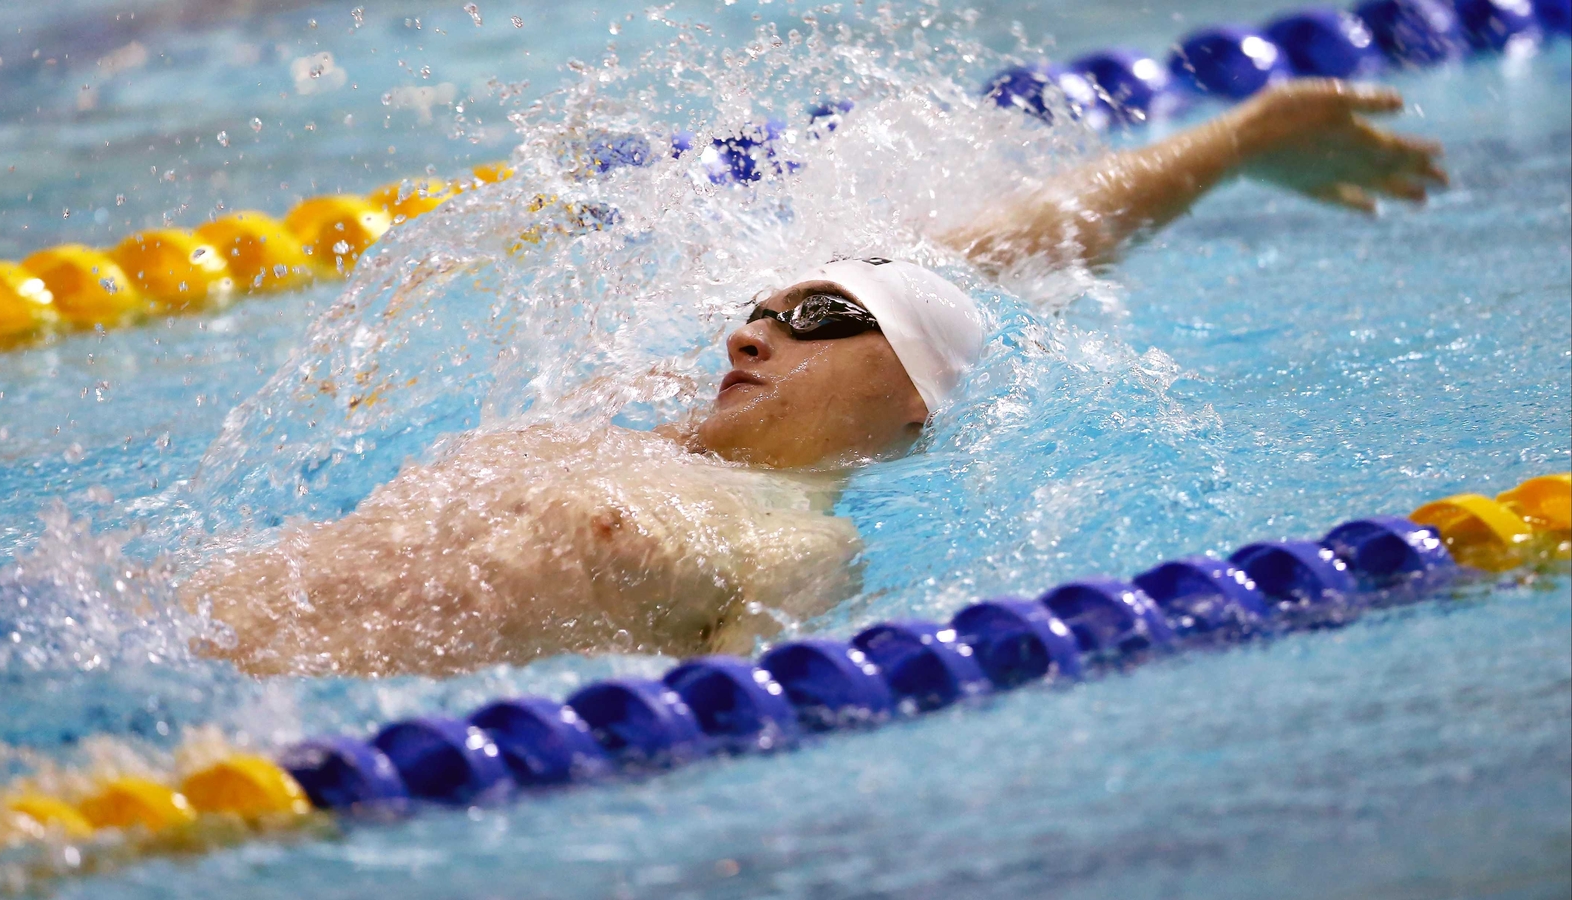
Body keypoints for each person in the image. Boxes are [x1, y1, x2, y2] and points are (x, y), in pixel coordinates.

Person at [182, 79, 1445, 677]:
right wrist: (1226, 141)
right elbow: (973, 260)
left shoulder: (797, 555)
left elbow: (713, 729)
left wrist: (1232, 141)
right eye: (754, 316)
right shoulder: (633, 424)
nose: (749, 336)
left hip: (241, 744)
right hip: (144, 616)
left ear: (916, 400)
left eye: (819, 317)